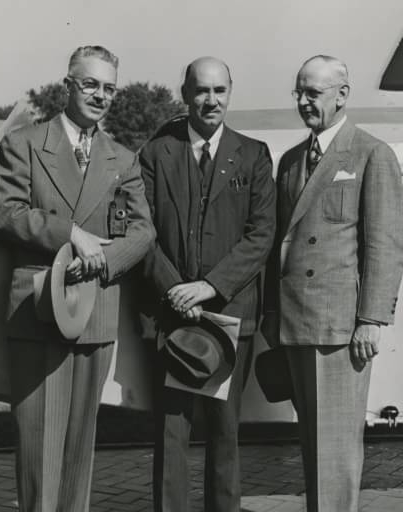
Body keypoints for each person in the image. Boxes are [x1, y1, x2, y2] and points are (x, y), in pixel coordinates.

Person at [0, 45, 156, 512]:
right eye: (90, 85)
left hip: (94, 310)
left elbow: (142, 231)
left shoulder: (122, 158)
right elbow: (5, 213)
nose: (100, 96)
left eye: (109, 89)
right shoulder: (24, 143)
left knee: (80, 450)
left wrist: (103, 259)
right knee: (39, 448)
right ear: (68, 86)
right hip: (39, 307)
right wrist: (71, 235)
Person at [262, 55, 403, 512]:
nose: (304, 102)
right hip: (295, 323)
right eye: (299, 92)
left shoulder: (371, 153)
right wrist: (271, 313)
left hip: (339, 329)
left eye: (314, 93)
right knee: (312, 445)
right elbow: (280, 244)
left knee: (336, 451)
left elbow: (385, 245)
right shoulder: (290, 161)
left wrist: (371, 320)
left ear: (342, 95)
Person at [138, 57, 276, 512]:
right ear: (185, 94)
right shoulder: (156, 154)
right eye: (201, 90)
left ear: (230, 92)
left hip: (229, 316)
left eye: (219, 90)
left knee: (225, 433)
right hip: (171, 314)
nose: (210, 100)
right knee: (171, 433)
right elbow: (142, 232)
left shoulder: (253, 155)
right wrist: (175, 290)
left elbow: (261, 236)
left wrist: (210, 287)